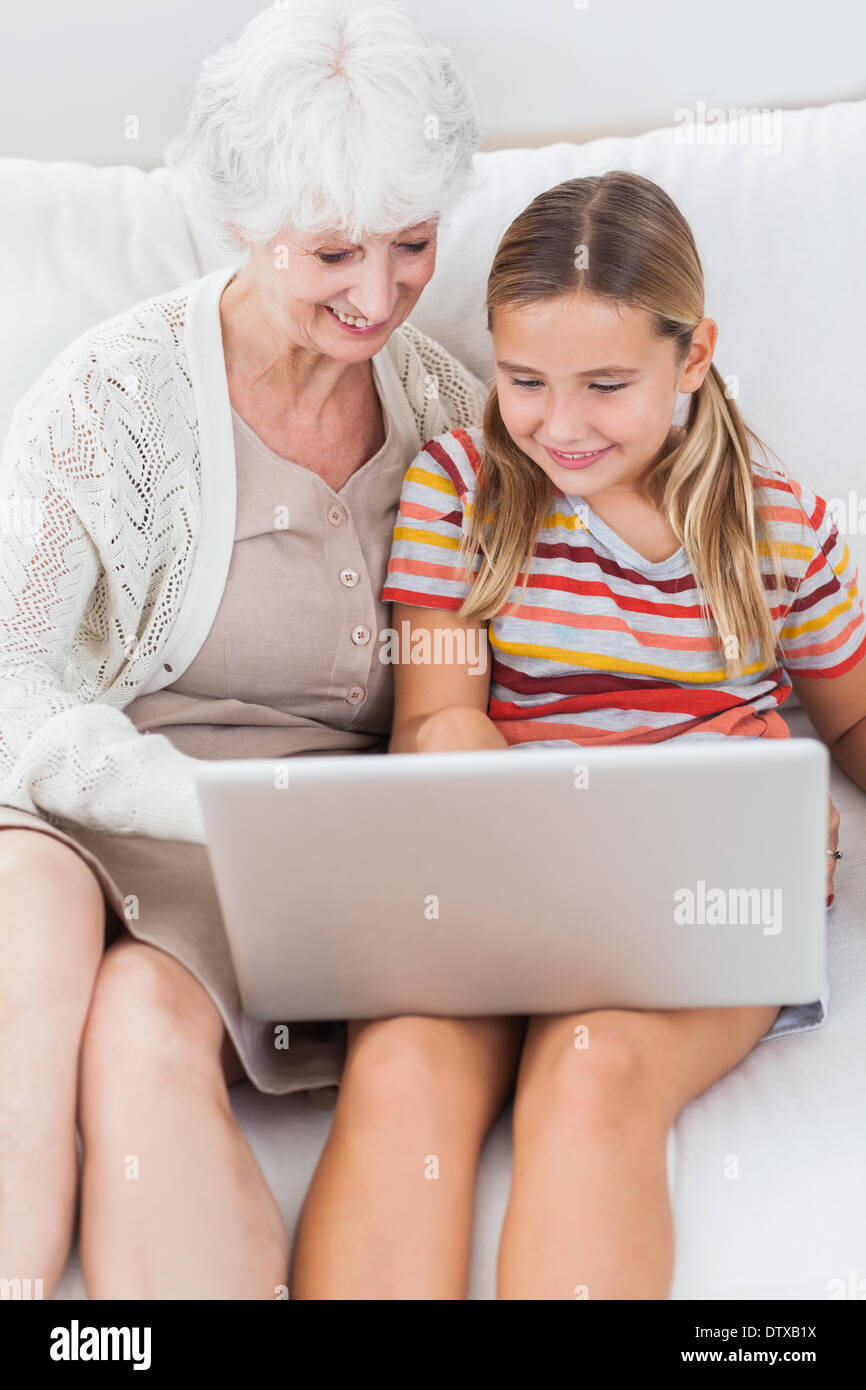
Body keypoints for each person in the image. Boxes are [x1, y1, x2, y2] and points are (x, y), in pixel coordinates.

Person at [291, 170, 861, 1300]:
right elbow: (439, 715)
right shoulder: (461, 489)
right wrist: (515, 836)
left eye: (605, 384)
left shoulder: (779, 521)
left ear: (691, 358)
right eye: (523, 381)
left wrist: (800, 826)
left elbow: (848, 718)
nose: (558, 423)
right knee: (401, 1066)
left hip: (701, 896)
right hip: (503, 873)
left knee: (590, 1075)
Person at [0, 0, 486, 1298]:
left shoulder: (455, 417)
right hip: (125, 815)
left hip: (327, 860)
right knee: (82, 981)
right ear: (238, 217)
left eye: (411, 245)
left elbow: (662, 535)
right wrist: (192, 804)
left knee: (161, 1027)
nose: (376, 293)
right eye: (330, 251)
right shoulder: (115, 397)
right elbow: (6, 675)